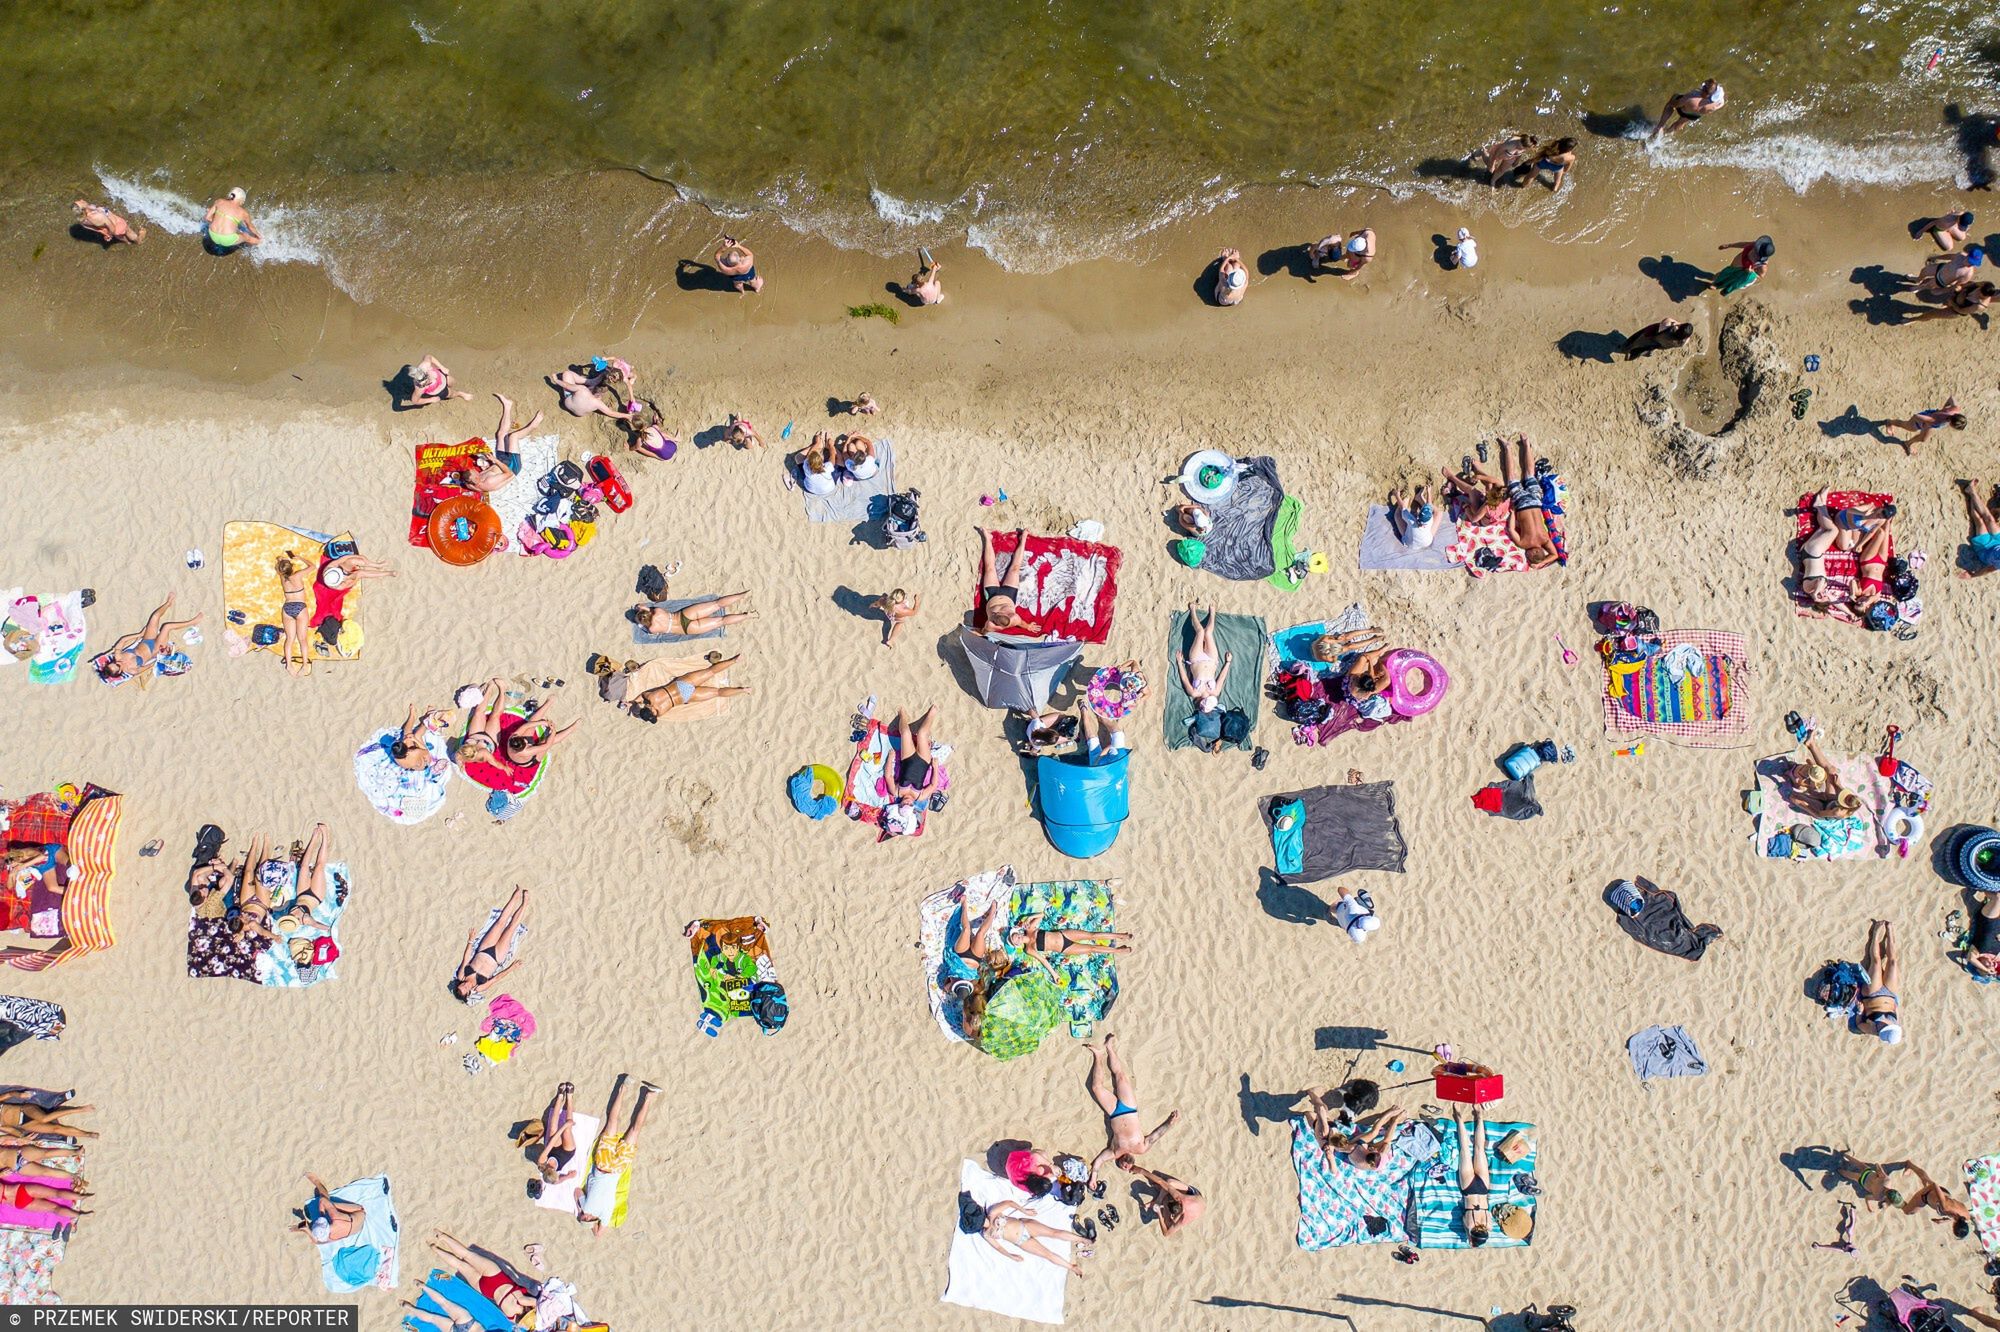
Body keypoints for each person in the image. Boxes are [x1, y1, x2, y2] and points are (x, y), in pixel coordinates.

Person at [1083, 1034, 1180, 1182]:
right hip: (1130, 1109)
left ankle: (1098, 1055)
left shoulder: (1114, 1152)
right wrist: (1169, 1123)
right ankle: (1109, 1047)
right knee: (1120, 1076)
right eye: (1127, 1167)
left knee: (1096, 1087)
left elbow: (1099, 1161)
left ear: (1120, 1163)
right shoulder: (1141, 1148)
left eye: (1122, 1167)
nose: (1125, 1165)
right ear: (1132, 1164)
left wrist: (1093, 1177)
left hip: (1114, 1112)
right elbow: (1156, 1135)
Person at [578, 1077, 658, 1236]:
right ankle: (628, 1090)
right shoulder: (588, 1207)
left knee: (629, 1128)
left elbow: (598, 1234)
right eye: (585, 1218)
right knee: (620, 1124)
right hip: (606, 1164)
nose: (584, 1216)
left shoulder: (602, 1214)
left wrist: (594, 1223)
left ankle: (646, 1095)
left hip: (613, 1167)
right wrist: (583, 1213)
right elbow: (598, 1233)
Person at [426, 1232, 537, 1320]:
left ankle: (442, 1236)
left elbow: (534, 1302)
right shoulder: (511, 1317)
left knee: (467, 1254)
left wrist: (538, 1307)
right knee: (459, 1265)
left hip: (496, 1277)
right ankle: (435, 1249)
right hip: (486, 1290)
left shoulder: (523, 1301)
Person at [98, 594, 200, 685]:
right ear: (119, 672)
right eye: (118, 666)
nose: (119, 662)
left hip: (146, 640)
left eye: (115, 663)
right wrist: (160, 656)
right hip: (156, 649)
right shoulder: (131, 670)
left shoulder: (118, 656)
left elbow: (122, 640)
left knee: (155, 617)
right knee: (167, 626)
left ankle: (168, 603)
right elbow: (148, 666)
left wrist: (139, 635)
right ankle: (193, 622)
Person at [450, 887, 530, 1002]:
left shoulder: (461, 976)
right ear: (468, 994)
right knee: (511, 928)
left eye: (461, 986)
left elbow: (466, 958)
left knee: (500, 922)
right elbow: (497, 978)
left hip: (484, 949)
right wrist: (512, 968)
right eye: (465, 989)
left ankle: (516, 895)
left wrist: (470, 940)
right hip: (497, 957)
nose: (464, 985)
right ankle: (525, 903)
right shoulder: (479, 987)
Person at [1006, 910, 1133, 980]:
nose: (1017, 937)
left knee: (1092, 935)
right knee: (1092, 948)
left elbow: (1042, 915)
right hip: (1065, 948)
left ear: (1018, 932)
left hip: (1064, 935)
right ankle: (1117, 951)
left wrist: (1029, 917)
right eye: (1015, 940)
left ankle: (1120, 935)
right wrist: (1054, 974)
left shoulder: (1030, 929)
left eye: (1015, 935)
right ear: (1017, 944)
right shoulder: (1028, 949)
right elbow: (1043, 960)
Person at [618, 656, 750, 723]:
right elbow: (642, 695)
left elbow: (653, 717)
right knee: (710, 671)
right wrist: (633, 702)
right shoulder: (652, 697)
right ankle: (734, 660)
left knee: (718, 693)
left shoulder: (660, 712)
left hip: (685, 696)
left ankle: (744, 690)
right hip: (680, 685)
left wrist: (635, 706)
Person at [981, 1199, 1090, 1276]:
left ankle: (1082, 1239)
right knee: (1048, 1254)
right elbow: (998, 1248)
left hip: (1025, 1225)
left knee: (1054, 1233)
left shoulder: (992, 1213)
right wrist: (1011, 1256)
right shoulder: (987, 1234)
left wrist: (1024, 1211)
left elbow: (1009, 1203)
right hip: (1021, 1242)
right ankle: (1071, 1267)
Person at [1498, 435, 1560, 567]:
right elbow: (1510, 528)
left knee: (1529, 474)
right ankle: (1508, 448)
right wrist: (1513, 512)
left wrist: (1542, 562)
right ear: (1535, 552)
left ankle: (1526, 444)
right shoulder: (1523, 543)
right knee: (1511, 477)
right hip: (1521, 504)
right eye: (1528, 556)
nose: (1525, 554)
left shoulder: (1545, 541)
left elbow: (1555, 555)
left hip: (1536, 501)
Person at [464, 394, 539, 494]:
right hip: (512, 467)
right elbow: (509, 474)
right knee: (513, 437)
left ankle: (507, 405)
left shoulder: (473, 482)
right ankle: (533, 426)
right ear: (476, 478)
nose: (476, 471)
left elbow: (468, 485)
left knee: (501, 434)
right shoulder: (489, 482)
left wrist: (487, 466)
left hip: (501, 462)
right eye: (475, 473)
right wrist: (494, 460)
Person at [1176, 604, 1234, 726]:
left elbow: (1184, 678)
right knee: (1208, 633)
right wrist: (1228, 662)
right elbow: (1221, 678)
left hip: (1196, 660)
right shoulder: (1215, 692)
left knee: (1200, 632)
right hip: (1212, 660)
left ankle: (1192, 611)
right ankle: (1212, 614)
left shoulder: (1194, 693)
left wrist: (1179, 662)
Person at [1779, 731, 1860, 819]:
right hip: (1831, 800)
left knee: (1794, 797)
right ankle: (1811, 744)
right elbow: (1841, 792)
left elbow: (1819, 813)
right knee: (1831, 771)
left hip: (1823, 809)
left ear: (1846, 806)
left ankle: (1799, 782)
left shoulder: (1838, 812)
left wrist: (1804, 804)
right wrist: (1837, 785)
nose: (1844, 794)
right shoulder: (1848, 798)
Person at [941, 896, 1007, 999]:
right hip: (974, 959)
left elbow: (945, 987)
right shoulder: (970, 982)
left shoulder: (953, 982)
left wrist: (949, 988)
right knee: (980, 934)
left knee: (966, 930)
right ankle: (993, 911)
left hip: (960, 955)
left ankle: (964, 905)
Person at [1118, 1157, 1204, 1235]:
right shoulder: (1180, 1197)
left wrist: (1159, 1213)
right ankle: (1159, 1200)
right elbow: (1165, 1182)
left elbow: (1166, 1233)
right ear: (1177, 1200)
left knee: (1167, 1220)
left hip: (1194, 1209)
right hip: (1193, 1194)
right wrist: (1141, 1171)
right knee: (1169, 1182)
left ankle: (1161, 1200)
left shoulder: (1184, 1219)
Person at [976, 527, 1039, 632]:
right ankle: (1023, 539)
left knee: (989, 568)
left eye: (995, 614)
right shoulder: (1015, 618)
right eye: (998, 614)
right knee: (1015, 568)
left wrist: (981, 632)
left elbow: (984, 631)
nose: (996, 612)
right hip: (1009, 595)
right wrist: (1029, 626)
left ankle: (988, 538)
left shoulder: (990, 624)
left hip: (991, 595)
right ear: (1007, 615)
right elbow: (1023, 624)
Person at [1856, 920, 1903, 1044]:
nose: (1885, 1025)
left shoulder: (1873, 1029)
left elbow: (1859, 1024)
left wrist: (1860, 1012)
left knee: (1876, 962)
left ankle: (1876, 933)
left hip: (1872, 994)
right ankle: (1890, 931)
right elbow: (1897, 1011)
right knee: (1893, 962)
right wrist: (1894, 1003)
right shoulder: (1896, 1024)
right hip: (1890, 994)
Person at [628, 593, 757, 638]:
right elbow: (641, 605)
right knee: (716, 604)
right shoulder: (657, 611)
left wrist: (639, 622)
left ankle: (748, 615)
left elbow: (642, 626)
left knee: (721, 622)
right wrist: (640, 608)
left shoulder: (652, 629)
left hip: (686, 629)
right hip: (683, 615)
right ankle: (742, 595)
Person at [1454, 1105, 1495, 1244]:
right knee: (1464, 1149)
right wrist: (1470, 1237)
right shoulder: (1470, 1225)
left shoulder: (1489, 1225)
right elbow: (1464, 1220)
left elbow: (1487, 1226)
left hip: (1483, 1188)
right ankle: (1458, 1116)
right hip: (1469, 1189)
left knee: (1479, 1149)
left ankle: (1479, 1115)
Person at [1899, 1162, 1974, 1236]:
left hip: (1944, 1193)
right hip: (1926, 1195)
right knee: (1907, 1211)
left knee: (1925, 1179)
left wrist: (1944, 1220)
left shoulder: (1966, 1216)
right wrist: (1924, 1191)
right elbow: (1934, 1185)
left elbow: (1956, 1216)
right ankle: (1890, 1193)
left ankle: (1909, 1164)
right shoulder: (1946, 1207)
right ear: (1954, 1226)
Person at [531, 1081, 581, 1186]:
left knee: (553, 1129)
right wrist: (568, 1176)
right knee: (568, 1130)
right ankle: (570, 1098)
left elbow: (551, 1143)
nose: (553, 1167)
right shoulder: (555, 1178)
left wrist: (564, 1126)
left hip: (554, 1148)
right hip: (567, 1153)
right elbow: (557, 1182)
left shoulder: (542, 1161)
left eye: (551, 1168)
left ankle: (560, 1096)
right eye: (555, 1170)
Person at [292, 1172, 365, 1243]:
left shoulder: (326, 1237)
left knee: (327, 1206)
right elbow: (323, 1200)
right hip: (359, 1213)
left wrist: (306, 1230)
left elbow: (316, 1241)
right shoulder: (335, 1217)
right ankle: (317, 1182)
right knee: (328, 1204)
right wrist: (322, 1213)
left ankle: (317, 1182)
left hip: (356, 1228)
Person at [275, 552, 314, 678]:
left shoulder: (282, 578)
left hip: (287, 608)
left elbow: (279, 564)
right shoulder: (297, 576)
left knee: (290, 639)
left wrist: (281, 560)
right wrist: (300, 558)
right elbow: (312, 566)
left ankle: (289, 665)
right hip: (300, 607)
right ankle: (304, 665)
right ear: (292, 567)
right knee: (302, 639)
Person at [1884, 397, 1966, 453]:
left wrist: (1943, 409)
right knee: (1905, 425)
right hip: (1921, 422)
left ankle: (1908, 443)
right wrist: (1924, 425)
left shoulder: (1956, 409)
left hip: (1929, 422)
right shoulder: (1937, 421)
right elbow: (1916, 416)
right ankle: (1889, 422)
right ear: (1952, 424)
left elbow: (1951, 398)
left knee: (1923, 439)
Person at [547, 366, 631, 421]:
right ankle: (590, 381)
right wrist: (627, 416)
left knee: (567, 374)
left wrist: (556, 380)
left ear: (589, 389)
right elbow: (611, 413)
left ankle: (588, 381)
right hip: (579, 413)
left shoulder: (582, 389)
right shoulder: (598, 403)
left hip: (568, 403)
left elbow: (566, 385)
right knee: (590, 392)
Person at [401, 1281, 489, 1332]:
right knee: (432, 1318)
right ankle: (408, 1307)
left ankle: (423, 1286)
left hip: (470, 1323)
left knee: (444, 1302)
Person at [1956, 479, 2000, 579]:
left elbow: (1989, 569)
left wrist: (1972, 575)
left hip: (1985, 549)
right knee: (1989, 519)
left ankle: (1971, 494)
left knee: (1979, 521)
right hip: (1998, 541)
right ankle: (1971, 491)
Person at [1836, 1151, 1911, 1208]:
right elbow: (1867, 1198)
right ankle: (1839, 1171)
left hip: (1868, 1173)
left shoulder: (1887, 1181)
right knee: (1852, 1176)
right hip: (1863, 1181)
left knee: (1859, 1164)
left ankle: (1845, 1155)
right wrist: (1869, 1207)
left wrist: (1877, 1166)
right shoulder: (1878, 1197)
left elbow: (1879, 1170)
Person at [390, 705, 451, 772]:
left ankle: (412, 715)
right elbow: (426, 751)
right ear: (407, 751)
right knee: (417, 735)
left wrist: (406, 739)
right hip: (425, 762)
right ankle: (428, 719)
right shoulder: (414, 752)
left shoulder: (396, 757)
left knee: (406, 734)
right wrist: (414, 739)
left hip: (414, 763)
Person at [1654, 79, 1725, 137]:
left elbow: (1676, 104)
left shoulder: (1691, 98)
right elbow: (1722, 103)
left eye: (1703, 87)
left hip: (1686, 108)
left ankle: (1660, 127)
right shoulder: (1716, 104)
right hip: (1695, 115)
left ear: (1705, 91)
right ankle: (1667, 133)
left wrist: (1672, 102)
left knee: (1671, 103)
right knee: (1683, 121)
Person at [397, 356, 469, 409]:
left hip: (442, 377)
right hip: (439, 391)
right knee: (451, 394)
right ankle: (460, 393)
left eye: (426, 382)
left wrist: (442, 367)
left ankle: (451, 387)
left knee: (453, 381)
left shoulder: (424, 366)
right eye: (423, 385)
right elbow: (415, 401)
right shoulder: (419, 388)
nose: (426, 385)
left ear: (425, 373)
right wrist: (430, 400)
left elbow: (429, 356)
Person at [203, 188, 262, 252]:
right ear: (241, 200)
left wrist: (216, 220)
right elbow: (251, 227)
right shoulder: (243, 212)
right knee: (246, 237)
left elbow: (207, 218)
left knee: (210, 210)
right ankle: (261, 242)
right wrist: (258, 234)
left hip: (213, 236)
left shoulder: (219, 201)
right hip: (227, 240)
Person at [1469, 133, 1540, 186]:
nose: (1520, 147)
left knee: (1502, 170)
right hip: (1502, 153)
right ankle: (1482, 151)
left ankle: (1493, 181)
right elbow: (1496, 153)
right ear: (1520, 140)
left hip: (1512, 156)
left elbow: (1521, 152)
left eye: (1523, 148)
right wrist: (1493, 164)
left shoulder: (1528, 145)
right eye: (1520, 145)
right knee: (1490, 167)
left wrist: (1517, 159)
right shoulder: (1510, 144)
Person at [1385, 483, 1439, 549]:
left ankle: (1406, 498)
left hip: (1409, 543)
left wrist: (1397, 495)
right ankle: (1419, 498)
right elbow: (1429, 505)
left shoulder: (1412, 521)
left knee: (1397, 515)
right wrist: (1429, 492)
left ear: (1417, 516)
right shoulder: (1430, 520)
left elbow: (1403, 508)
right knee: (1437, 513)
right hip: (1426, 542)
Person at [1916, 279, 1998, 321]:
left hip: (1955, 310)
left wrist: (1952, 302)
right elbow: (1972, 284)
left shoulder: (1980, 306)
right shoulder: (1984, 285)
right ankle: (1945, 304)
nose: (1978, 292)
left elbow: (1962, 311)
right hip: (1957, 296)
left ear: (1985, 296)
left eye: (1980, 293)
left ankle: (1914, 319)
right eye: (1979, 289)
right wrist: (1961, 287)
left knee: (1932, 314)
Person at [71, 199, 144, 246]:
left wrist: (105, 233)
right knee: (128, 232)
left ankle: (127, 243)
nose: (82, 200)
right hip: (118, 225)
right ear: (83, 209)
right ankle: (138, 241)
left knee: (120, 236)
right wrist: (110, 234)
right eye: (81, 202)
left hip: (114, 230)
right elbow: (112, 227)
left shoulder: (82, 220)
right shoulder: (97, 216)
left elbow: (92, 228)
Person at [1919, 244, 1985, 294]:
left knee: (1929, 285)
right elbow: (1948, 256)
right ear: (1967, 255)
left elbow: (1956, 286)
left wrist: (1942, 291)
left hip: (1942, 281)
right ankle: (1917, 280)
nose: (1971, 264)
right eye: (1970, 261)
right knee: (1924, 271)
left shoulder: (1968, 274)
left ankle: (1919, 288)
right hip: (1940, 269)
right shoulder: (1960, 255)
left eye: (1974, 263)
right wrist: (1937, 257)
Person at [1619, 319, 1694, 360]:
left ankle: (1626, 349)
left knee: (1636, 341)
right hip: (1660, 345)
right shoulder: (1683, 342)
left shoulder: (1667, 325)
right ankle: (1644, 353)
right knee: (1649, 347)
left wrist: (1675, 324)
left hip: (1651, 336)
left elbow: (1665, 321)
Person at [798, 431, 839, 496]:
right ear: (822, 460)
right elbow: (832, 455)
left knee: (797, 458)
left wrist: (817, 443)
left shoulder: (806, 466)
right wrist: (831, 445)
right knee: (836, 461)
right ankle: (825, 445)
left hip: (810, 489)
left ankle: (821, 445)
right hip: (829, 489)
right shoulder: (828, 467)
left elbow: (809, 454)